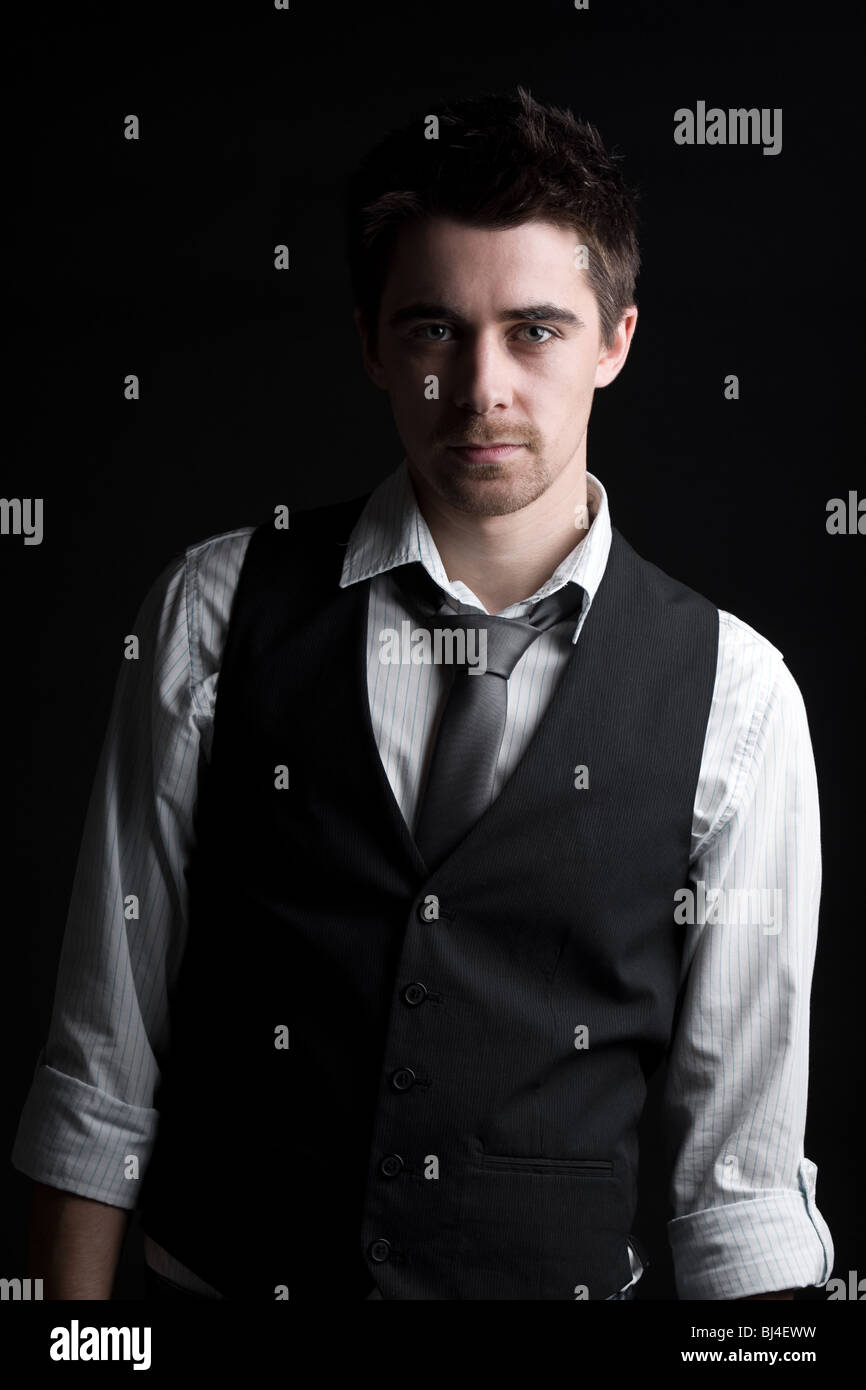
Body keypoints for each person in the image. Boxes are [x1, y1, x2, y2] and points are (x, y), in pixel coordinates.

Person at [12, 87, 833, 1301]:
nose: (481, 386)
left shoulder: (739, 696)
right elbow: (100, 1067)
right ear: (371, 343)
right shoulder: (210, 611)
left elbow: (740, 1193)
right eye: (435, 329)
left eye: (536, 330)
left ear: (614, 341)